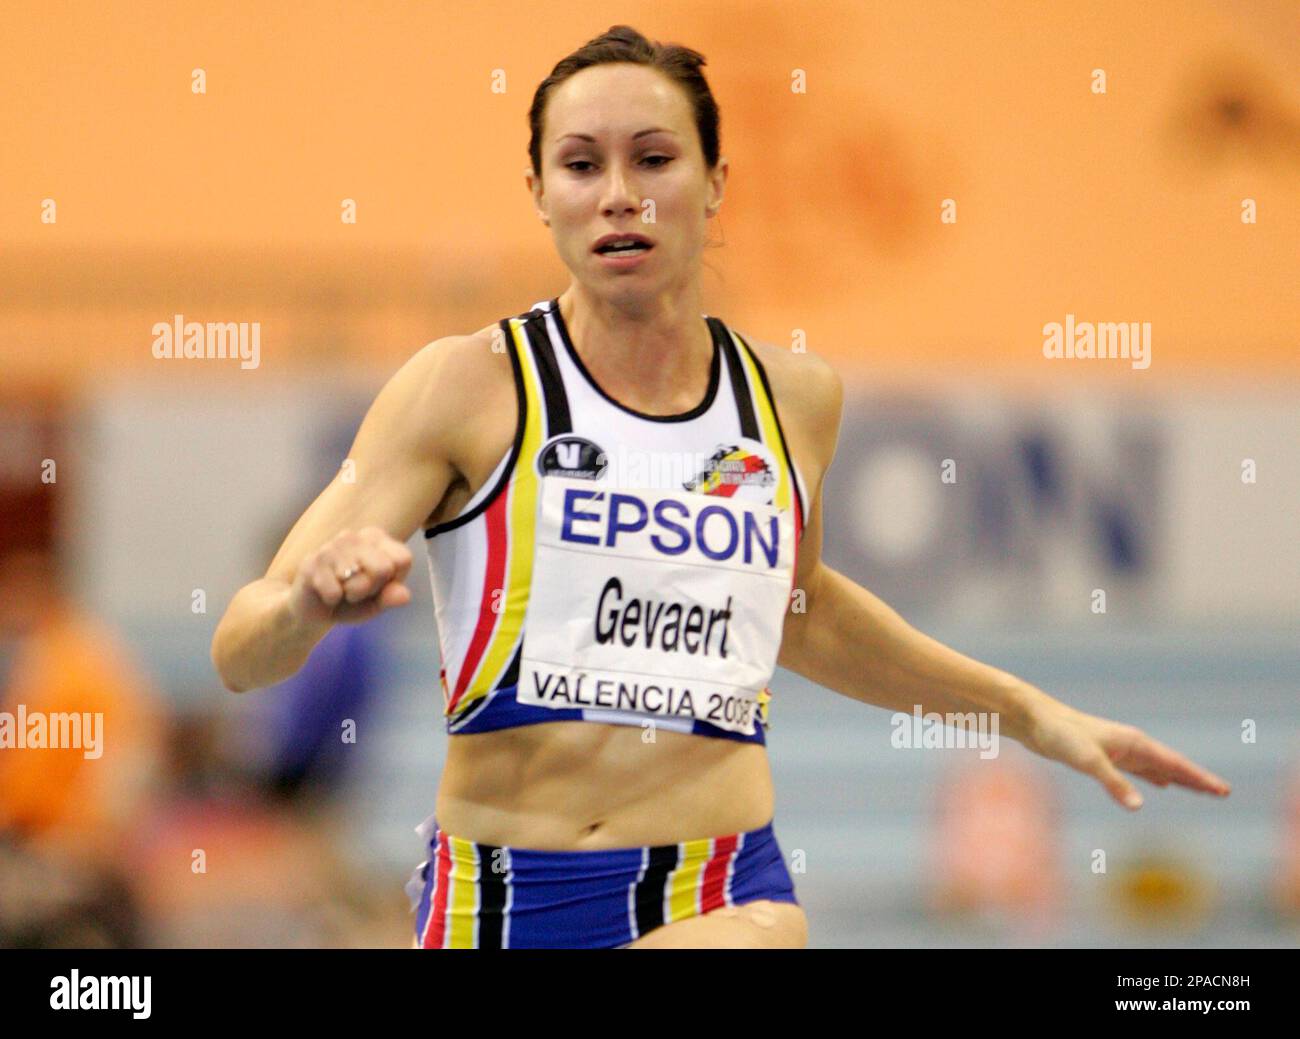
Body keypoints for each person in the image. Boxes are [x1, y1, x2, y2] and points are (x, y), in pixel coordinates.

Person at [210, 25, 1231, 949]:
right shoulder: (463, 386)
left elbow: (803, 611)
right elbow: (239, 651)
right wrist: (303, 606)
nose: (619, 193)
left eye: (654, 159)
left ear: (713, 183)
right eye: (580, 164)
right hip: (499, 897)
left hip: (719, 886)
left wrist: (1027, 711)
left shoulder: (792, 399)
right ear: (538, 194)